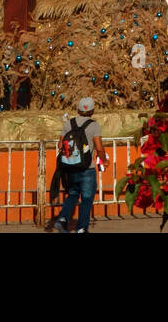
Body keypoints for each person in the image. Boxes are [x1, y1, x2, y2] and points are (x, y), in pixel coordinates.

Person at [53, 97, 106, 234]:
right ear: (93, 110)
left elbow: (60, 145)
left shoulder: (68, 124)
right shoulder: (94, 126)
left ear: (78, 110)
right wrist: (104, 160)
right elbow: (99, 147)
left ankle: (62, 219)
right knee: (87, 199)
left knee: (72, 194)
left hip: (70, 167)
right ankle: (81, 228)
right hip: (87, 168)